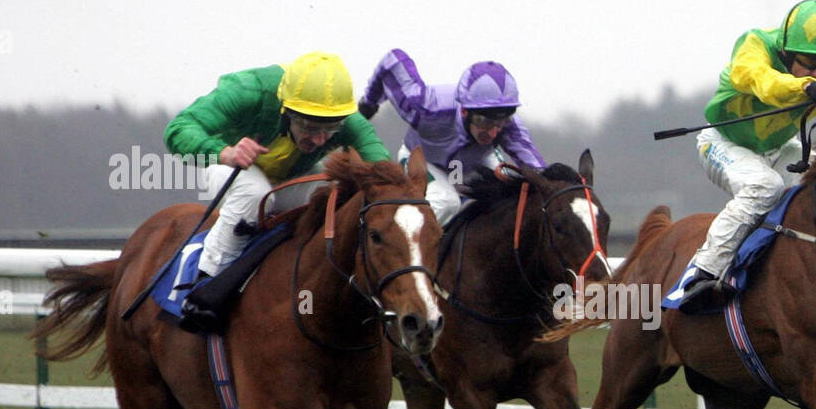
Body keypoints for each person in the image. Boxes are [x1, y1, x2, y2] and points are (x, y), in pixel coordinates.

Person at [165, 51, 390, 332]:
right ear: (285, 110)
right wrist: (224, 151)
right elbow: (178, 129)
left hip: (287, 178)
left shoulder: (346, 120)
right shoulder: (248, 91)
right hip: (228, 164)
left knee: (336, 196)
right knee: (255, 193)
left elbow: (385, 173)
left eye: (331, 129)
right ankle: (205, 287)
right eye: (309, 127)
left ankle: (326, 293)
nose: (320, 139)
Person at [677, 0, 816, 312]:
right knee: (765, 185)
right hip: (723, 142)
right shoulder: (754, 46)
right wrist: (808, 87)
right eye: (810, 64)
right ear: (785, 53)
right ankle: (702, 273)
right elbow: (761, 81)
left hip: (779, 147)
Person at [358, 52, 545, 225]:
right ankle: (405, 244)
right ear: (464, 111)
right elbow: (394, 60)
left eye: (502, 121)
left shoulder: (510, 128)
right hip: (423, 159)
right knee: (447, 201)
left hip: (472, 163)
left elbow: (539, 171)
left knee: (509, 196)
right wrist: (368, 102)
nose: (493, 133)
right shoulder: (426, 107)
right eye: (484, 121)